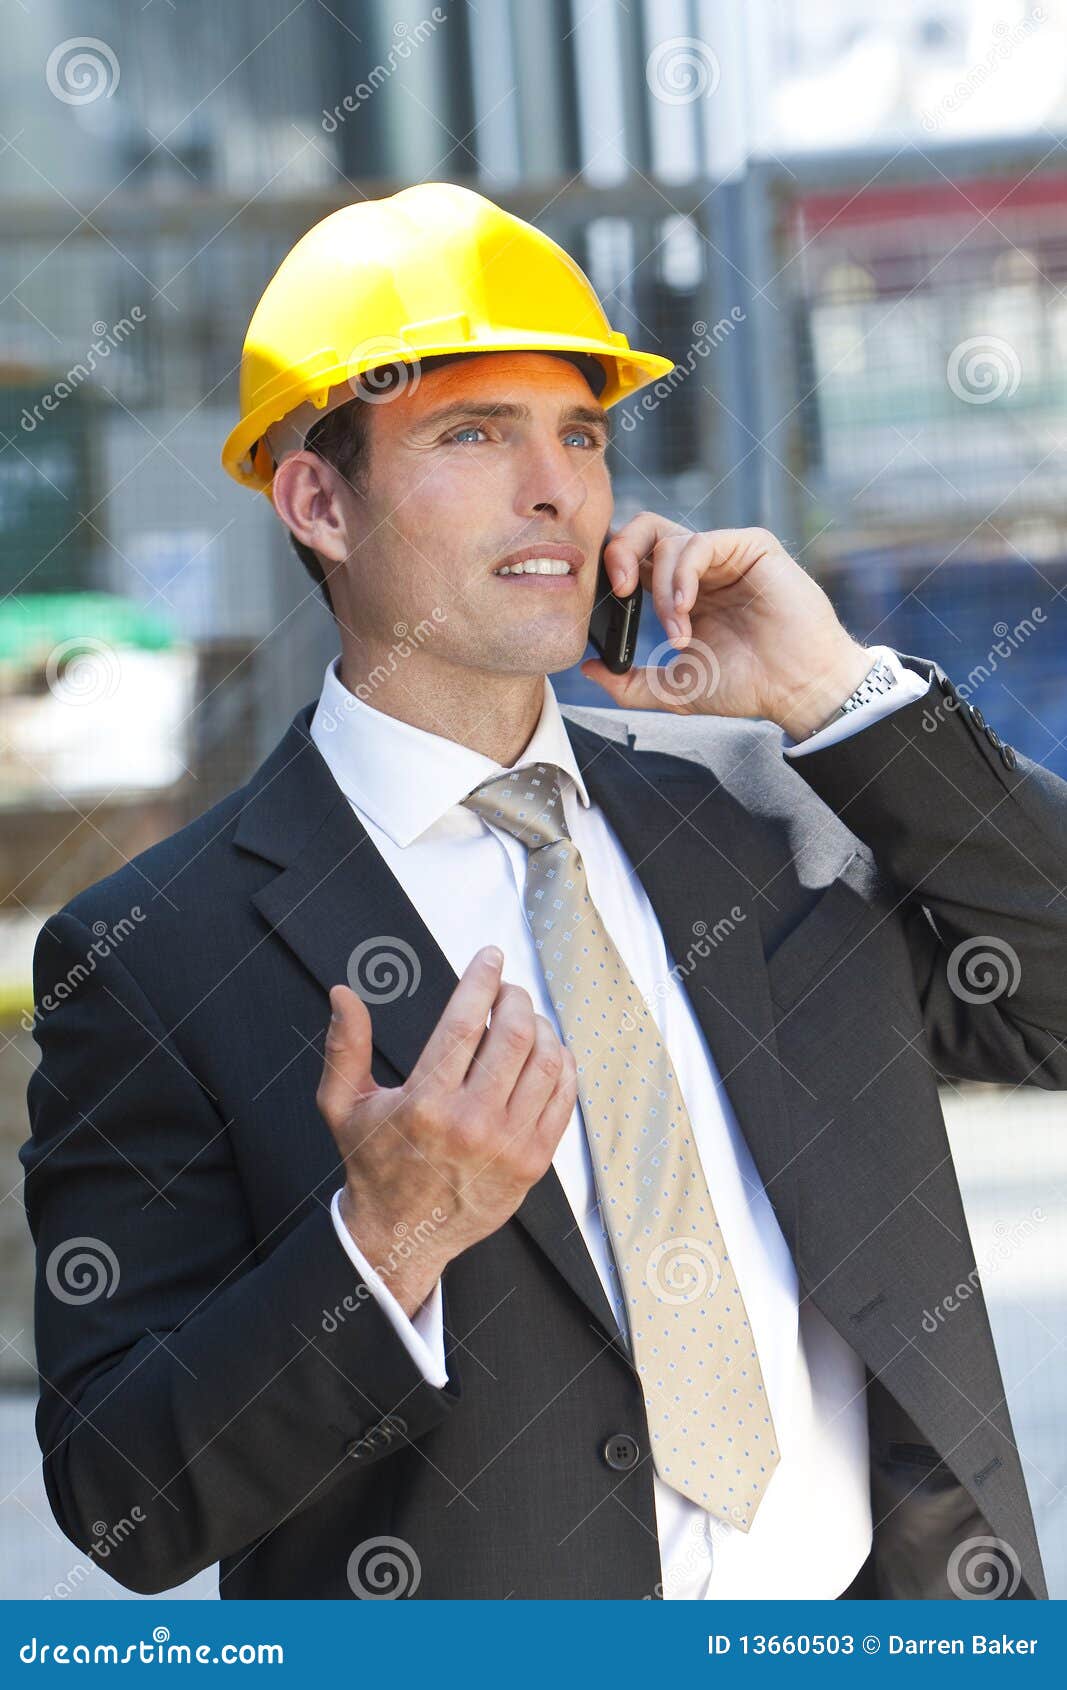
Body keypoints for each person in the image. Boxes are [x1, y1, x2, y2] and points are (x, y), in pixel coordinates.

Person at [22, 183, 1065, 1601]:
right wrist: (383, 1243)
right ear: (318, 500)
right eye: (474, 434)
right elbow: (123, 1499)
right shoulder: (159, 954)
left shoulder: (770, 809)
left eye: (579, 433)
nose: (557, 487)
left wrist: (837, 694)